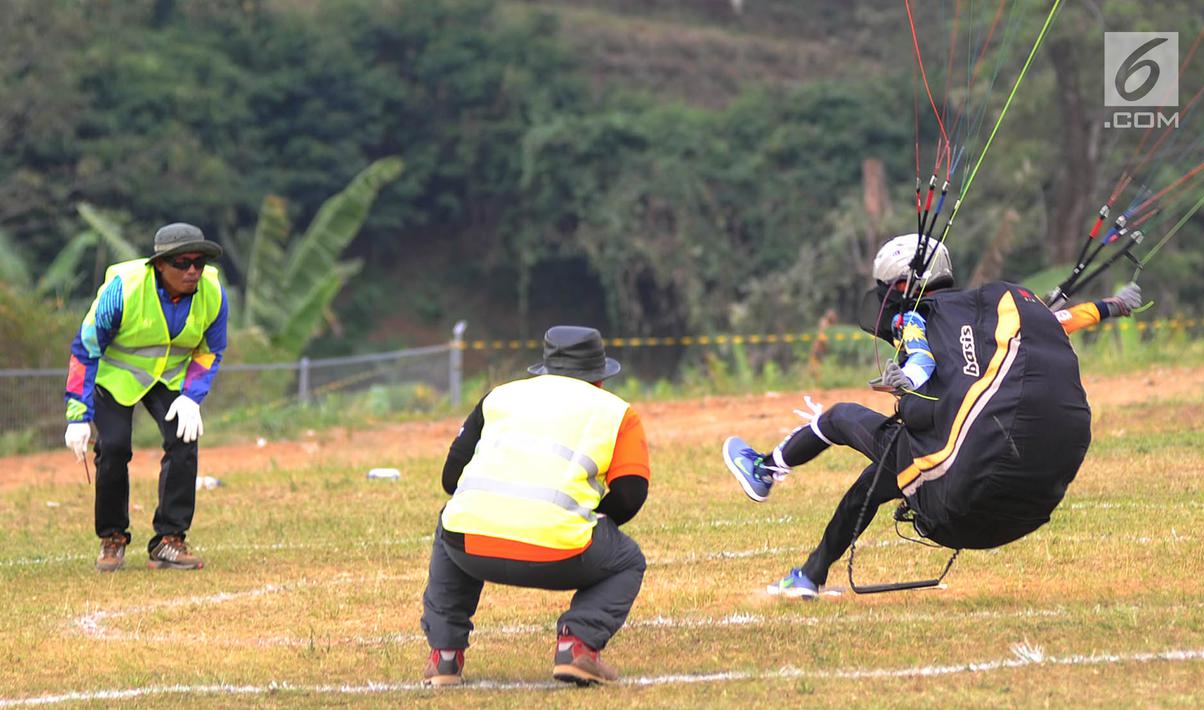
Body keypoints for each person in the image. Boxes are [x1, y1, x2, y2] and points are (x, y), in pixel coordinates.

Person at [722, 233, 1142, 598]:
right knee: (881, 474)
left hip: (958, 496)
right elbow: (1061, 319)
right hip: (1030, 503)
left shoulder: (913, 317)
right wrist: (1114, 305)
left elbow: (921, 363)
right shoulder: (990, 307)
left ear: (904, 286)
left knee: (839, 418)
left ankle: (765, 468)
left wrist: (903, 378)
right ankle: (810, 575)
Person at [420, 325, 650, 687]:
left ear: (545, 368)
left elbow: (451, 479)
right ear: (600, 378)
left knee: (451, 520)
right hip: (561, 553)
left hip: (469, 547)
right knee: (628, 561)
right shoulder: (617, 412)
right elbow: (630, 494)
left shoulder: (498, 397)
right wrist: (596, 521)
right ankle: (577, 646)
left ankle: (444, 656)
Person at [64, 223, 228, 572]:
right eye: (182, 262)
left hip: (170, 377)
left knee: (184, 441)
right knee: (113, 446)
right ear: (160, 265)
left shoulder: (213, 292)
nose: (193, 270)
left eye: (199, 262)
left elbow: (210, 351)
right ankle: (112, 538)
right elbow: (85, 349)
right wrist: (77, 414)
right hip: (115, 377)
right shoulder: (123, 290)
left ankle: (170, 540)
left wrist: (191, 397)